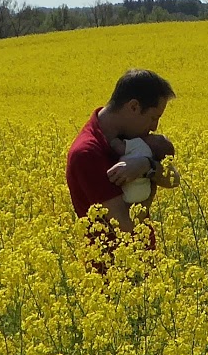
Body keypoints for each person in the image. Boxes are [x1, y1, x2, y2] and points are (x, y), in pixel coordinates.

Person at [66, 67, 178, 236]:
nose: (154, 127)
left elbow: (173, 179)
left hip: (143, 259)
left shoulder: (131, 139)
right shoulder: (87, 153)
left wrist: (147, 166)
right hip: (114, 262)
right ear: (133, 107)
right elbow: (126, 224)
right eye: (153, 117)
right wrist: (151, 185)